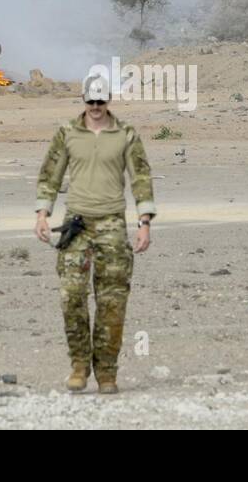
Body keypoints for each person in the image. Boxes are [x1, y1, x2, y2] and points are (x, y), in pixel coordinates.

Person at [34, 73, 156, 394]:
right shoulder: (67, 133)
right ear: (84, 101)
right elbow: (50, 174)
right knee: (72, 295)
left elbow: (140, 177)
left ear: (109, 101)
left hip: (113, 225)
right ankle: (78, 365)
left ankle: (107, 372)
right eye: (91, 101)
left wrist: (144, 222)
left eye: (102, 101)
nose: (97, 107)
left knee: (112, 301)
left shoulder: (126, 134)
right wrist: (42, 214)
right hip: (76, 224)